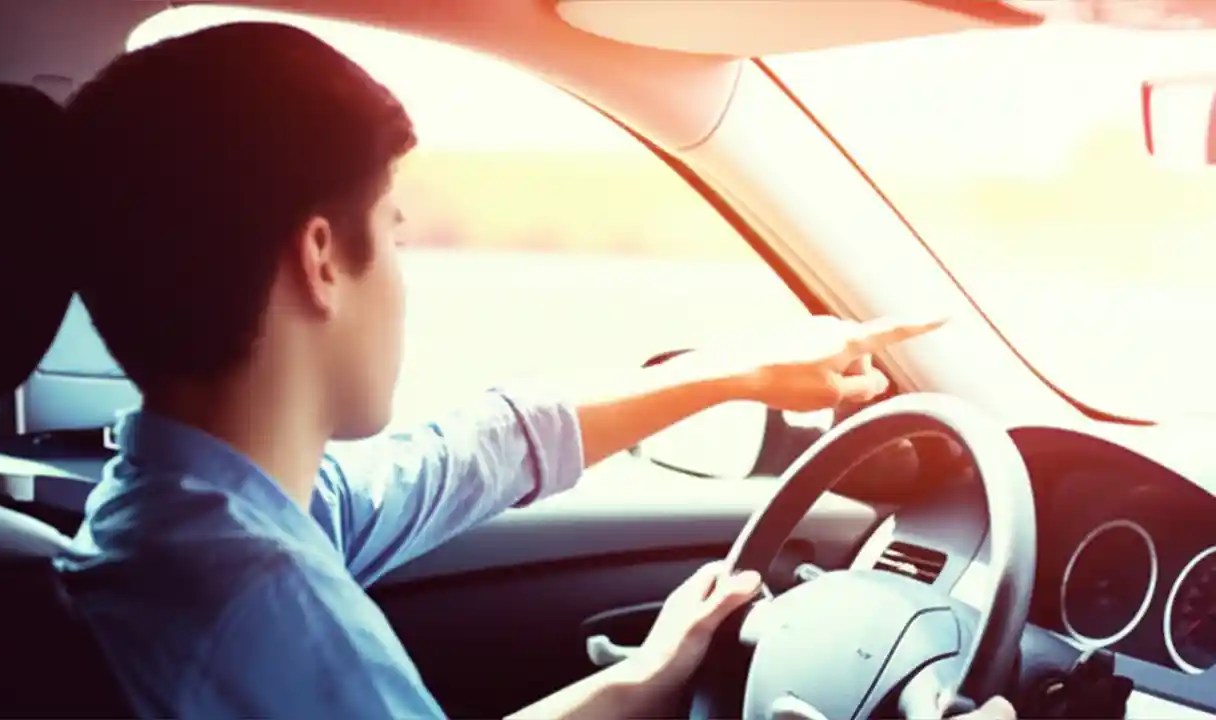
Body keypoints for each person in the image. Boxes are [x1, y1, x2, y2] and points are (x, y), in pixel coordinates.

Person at [56, 21, 1015, 720]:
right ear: (319, 260)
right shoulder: (263, 609)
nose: (403, 276)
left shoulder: (184, 512)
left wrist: (636, 682)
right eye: (394, 234)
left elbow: (468, 454)